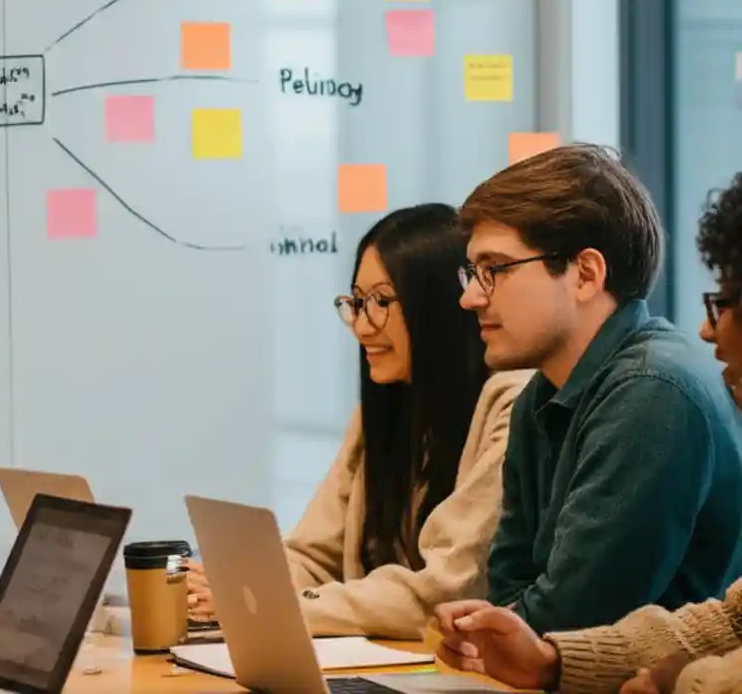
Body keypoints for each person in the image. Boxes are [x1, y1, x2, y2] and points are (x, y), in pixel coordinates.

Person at [433, 172, 742, 694]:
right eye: (474, 272)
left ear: (585, 274)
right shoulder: (544, 390)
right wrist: (534, 647)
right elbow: (508, 586)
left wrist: (537, 645)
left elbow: (573, 613)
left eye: (495, 270)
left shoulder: (652, 390)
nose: (470, 298)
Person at [185, 204, 531, 639]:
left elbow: (444, 591)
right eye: (357, 302)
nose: (362, 326)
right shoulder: (381, 414)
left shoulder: (514, 405)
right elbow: (314, 557)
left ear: (440, 305)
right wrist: (237, 587)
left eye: (381, 302)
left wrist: (280, 605)